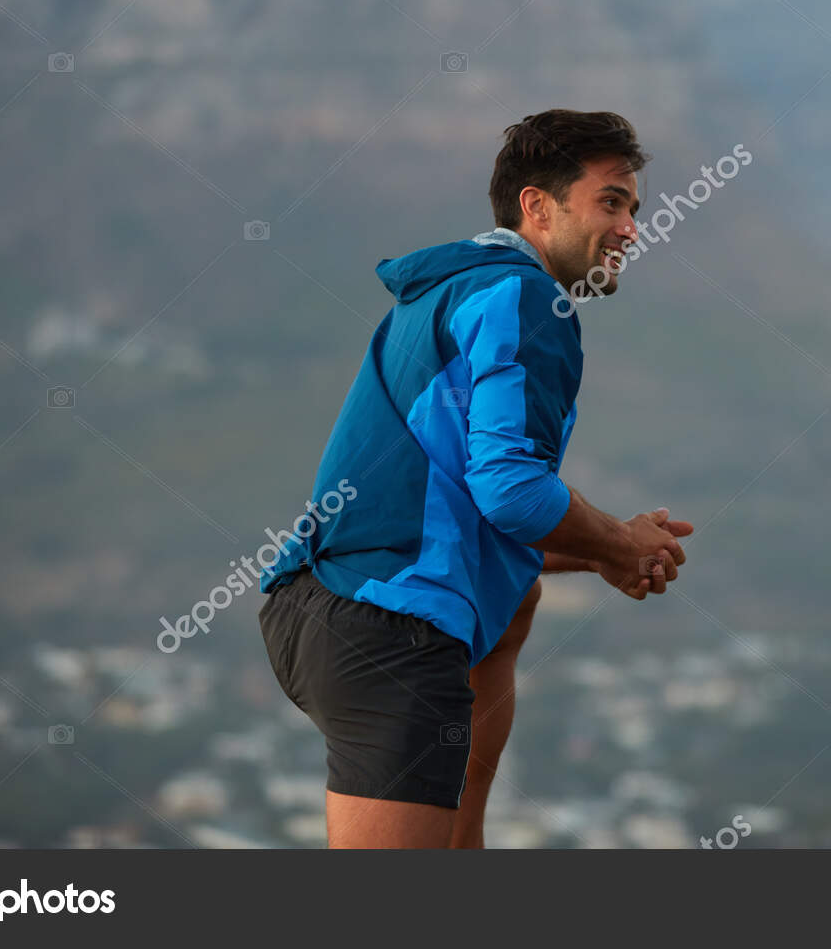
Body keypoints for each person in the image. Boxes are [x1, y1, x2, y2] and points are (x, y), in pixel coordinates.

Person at [256, 108, 694, 849]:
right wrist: (619, 543)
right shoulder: (527, 297)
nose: (630, 229)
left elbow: (466, 511)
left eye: (634, 209)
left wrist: (597, 549)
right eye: (611, 203)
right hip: (390, 628)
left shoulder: (450, 289)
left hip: (318, 608)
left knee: (518, 593)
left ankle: (467, 840)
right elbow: (512, 492)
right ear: (536, 204)